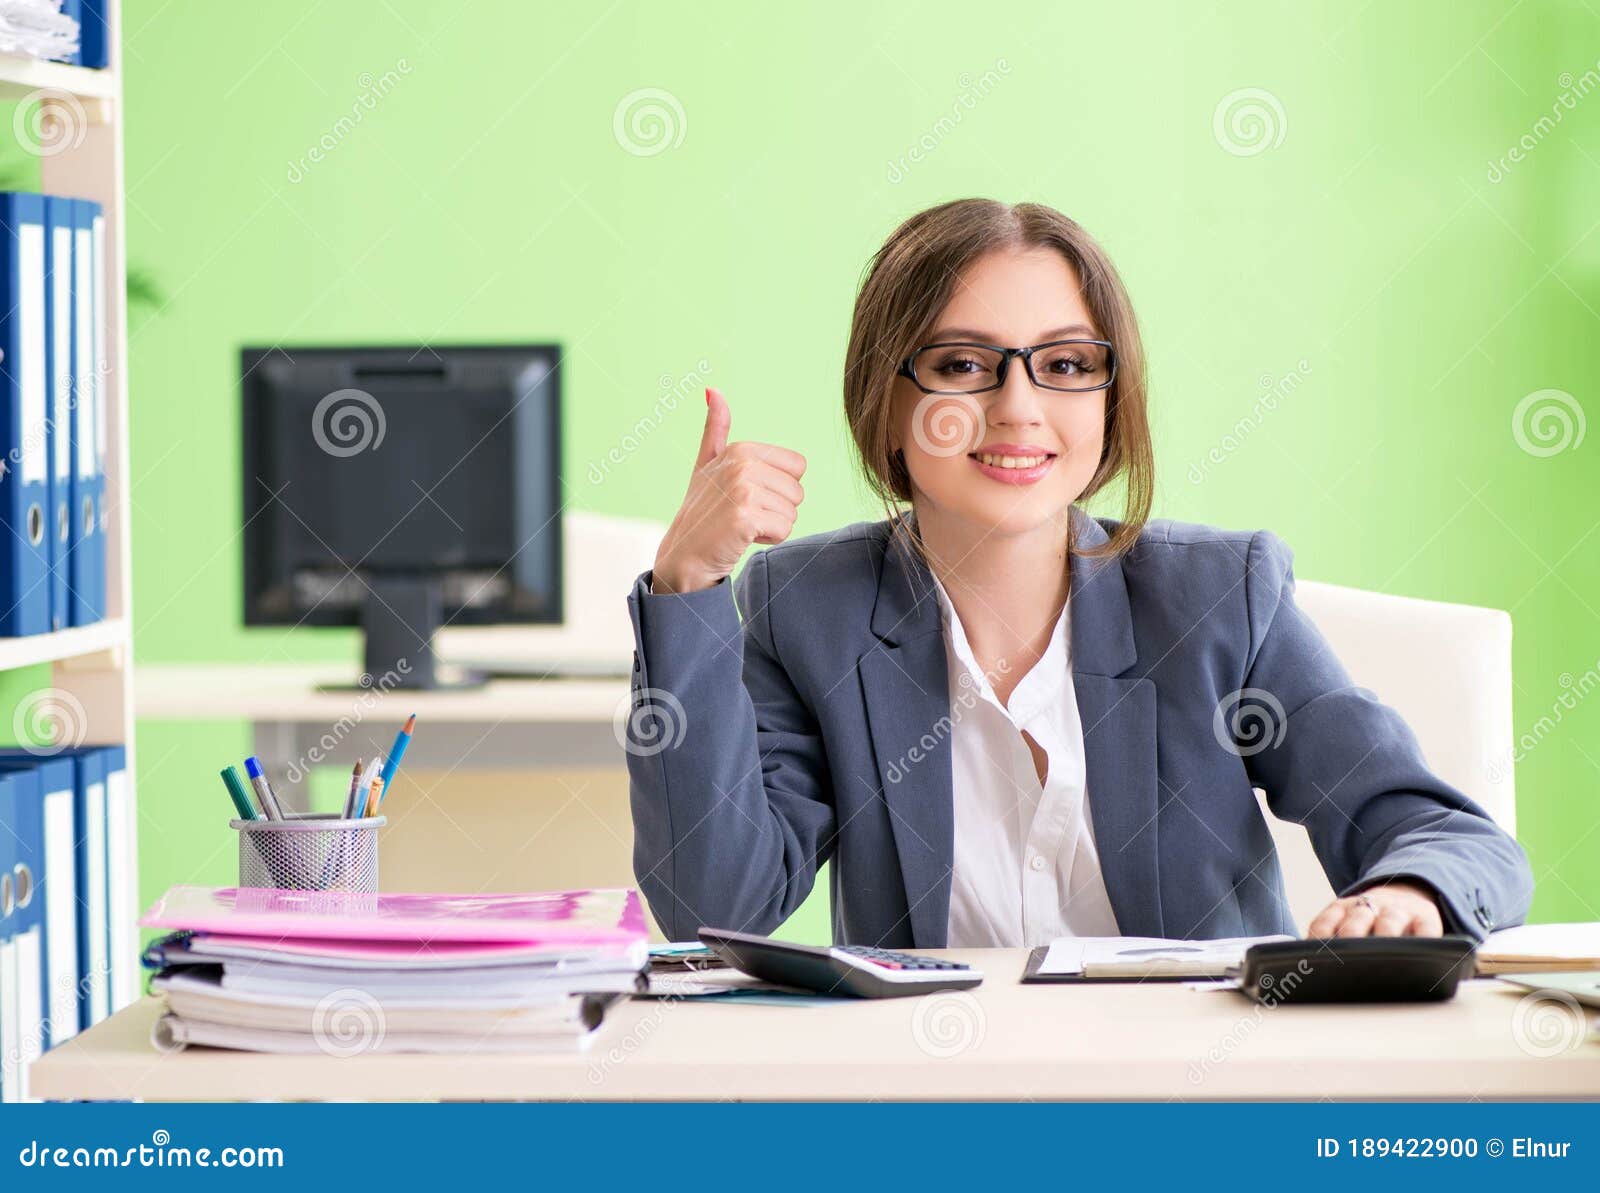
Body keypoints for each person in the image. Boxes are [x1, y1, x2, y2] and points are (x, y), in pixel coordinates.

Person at [621, 197, 1532, 949]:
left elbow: (1447, 836)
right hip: (933, 1097)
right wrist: (687, 585)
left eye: (1065, 364)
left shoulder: (1220, 598)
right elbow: (720, 907)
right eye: (962, 364)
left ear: (1110, 394)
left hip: (1196, 1101)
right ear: (888, 399)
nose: (1018, 408)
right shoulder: (806, 607)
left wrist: (1413, 890)